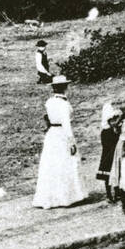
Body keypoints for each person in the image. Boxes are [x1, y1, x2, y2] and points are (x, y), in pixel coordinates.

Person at [34, 76, 86, 209]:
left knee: (52, 164)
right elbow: (66, 124)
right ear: (65, 87)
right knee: (65, 162)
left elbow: (47, 117)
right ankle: (67, 196)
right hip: (61, 134)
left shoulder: (50, 102)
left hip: (52, 134)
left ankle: (52, 197)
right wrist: (71, 141)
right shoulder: (64, 104)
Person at [96, 101, 123, 203]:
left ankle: (114, 193)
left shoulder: (106, 130)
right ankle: (112, 193)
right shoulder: (108, 130)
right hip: (110, 148)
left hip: (109, 147)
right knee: (111, 169)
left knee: (111, 169)